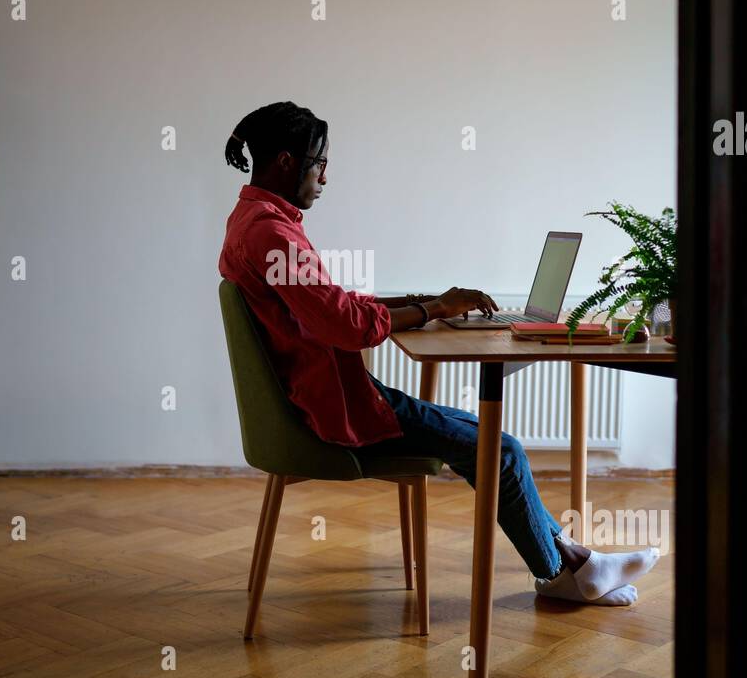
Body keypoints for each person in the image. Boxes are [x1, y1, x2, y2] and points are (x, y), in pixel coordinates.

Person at [218, 101, 659, 605]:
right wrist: (430, 310)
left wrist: (420, 303)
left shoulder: (253, 220)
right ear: (284, 161)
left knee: (486, 438)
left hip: (326, 393)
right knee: (501, 449)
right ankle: (560, 577)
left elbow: (331, 305)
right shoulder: (272, 233)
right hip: (332, 410)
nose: (325, 176)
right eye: (320, 163)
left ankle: (579, 563)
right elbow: (345, 326)